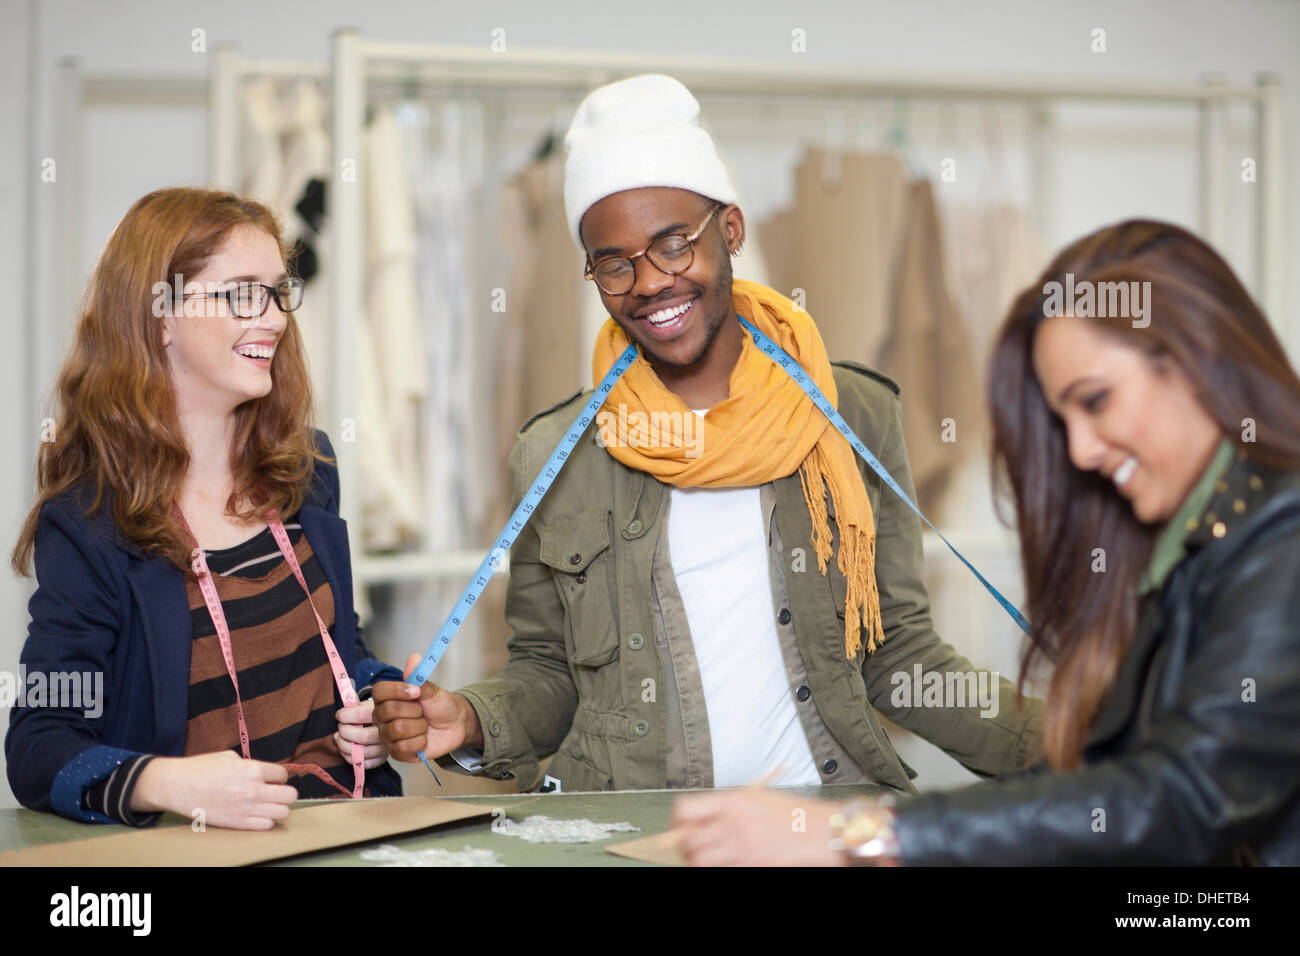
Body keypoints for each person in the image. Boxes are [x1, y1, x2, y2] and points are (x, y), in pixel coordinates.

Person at [373, 74, 1041, 795]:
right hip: (632, 834)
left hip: (818, 824)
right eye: (613, 262)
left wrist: (1059, 740)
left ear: (730, 231)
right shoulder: (555, 455)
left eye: (672, 244)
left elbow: (899, 657)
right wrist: (470, 719)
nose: (649, 282)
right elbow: (548, 675)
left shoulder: (849, 415)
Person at [669, 219, 1300, 865]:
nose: (1080, 450)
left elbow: (1181, 799)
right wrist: (854, 828)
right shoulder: (1192, 545)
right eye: (1064, 420)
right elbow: (1102, 780)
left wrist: (854, 835)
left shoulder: (1282, 539)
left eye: (1098, 400)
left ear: (1200, 355)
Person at [6, 187, 401, 829]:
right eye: (242, 292)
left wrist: (378, 702)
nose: (273, 318)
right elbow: (38, 745)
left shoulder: (308, 468)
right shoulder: (92, 523)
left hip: (342, 830)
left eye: (278, 291)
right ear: (160, 316)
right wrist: (170, 783)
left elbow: (337, 648)